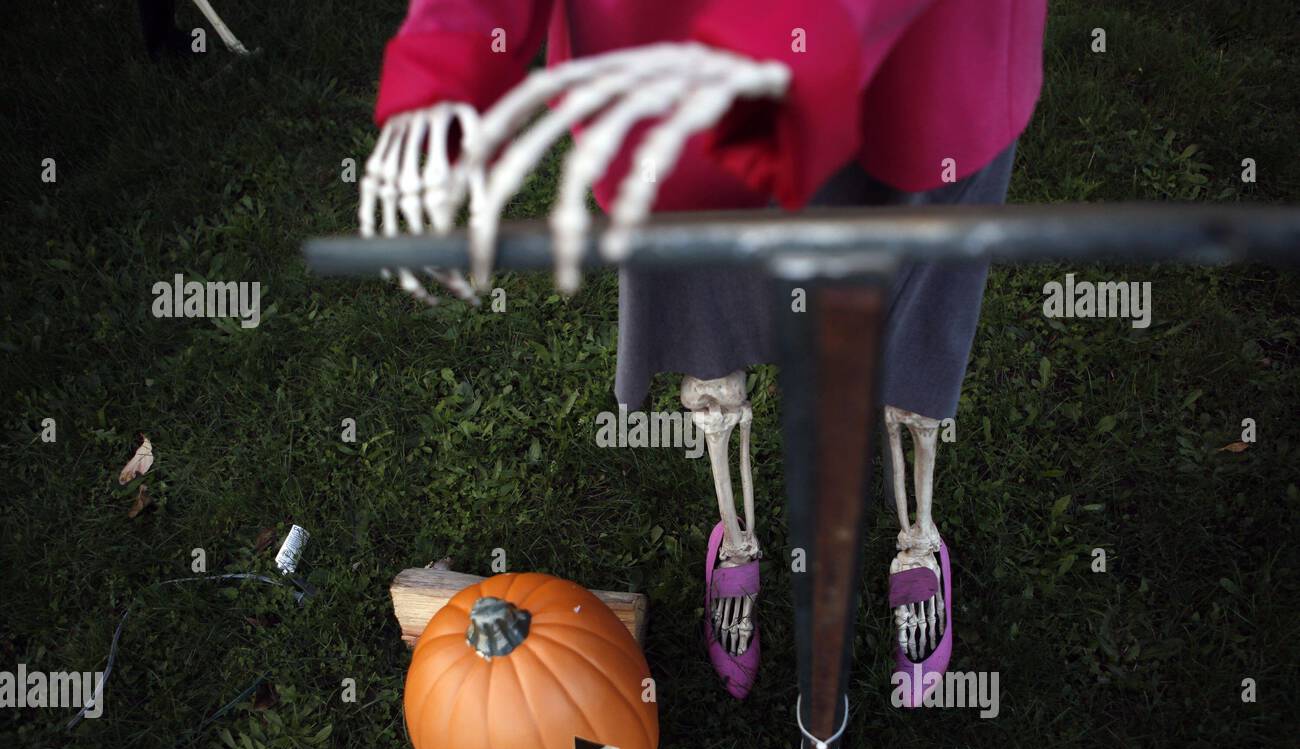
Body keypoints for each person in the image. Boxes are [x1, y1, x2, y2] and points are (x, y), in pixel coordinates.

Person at [370, 0, 1047, 702]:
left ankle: (916, 534)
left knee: (911, 330)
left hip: (921, 68)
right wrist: (452, 53)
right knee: (707, 330)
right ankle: (740, 537)